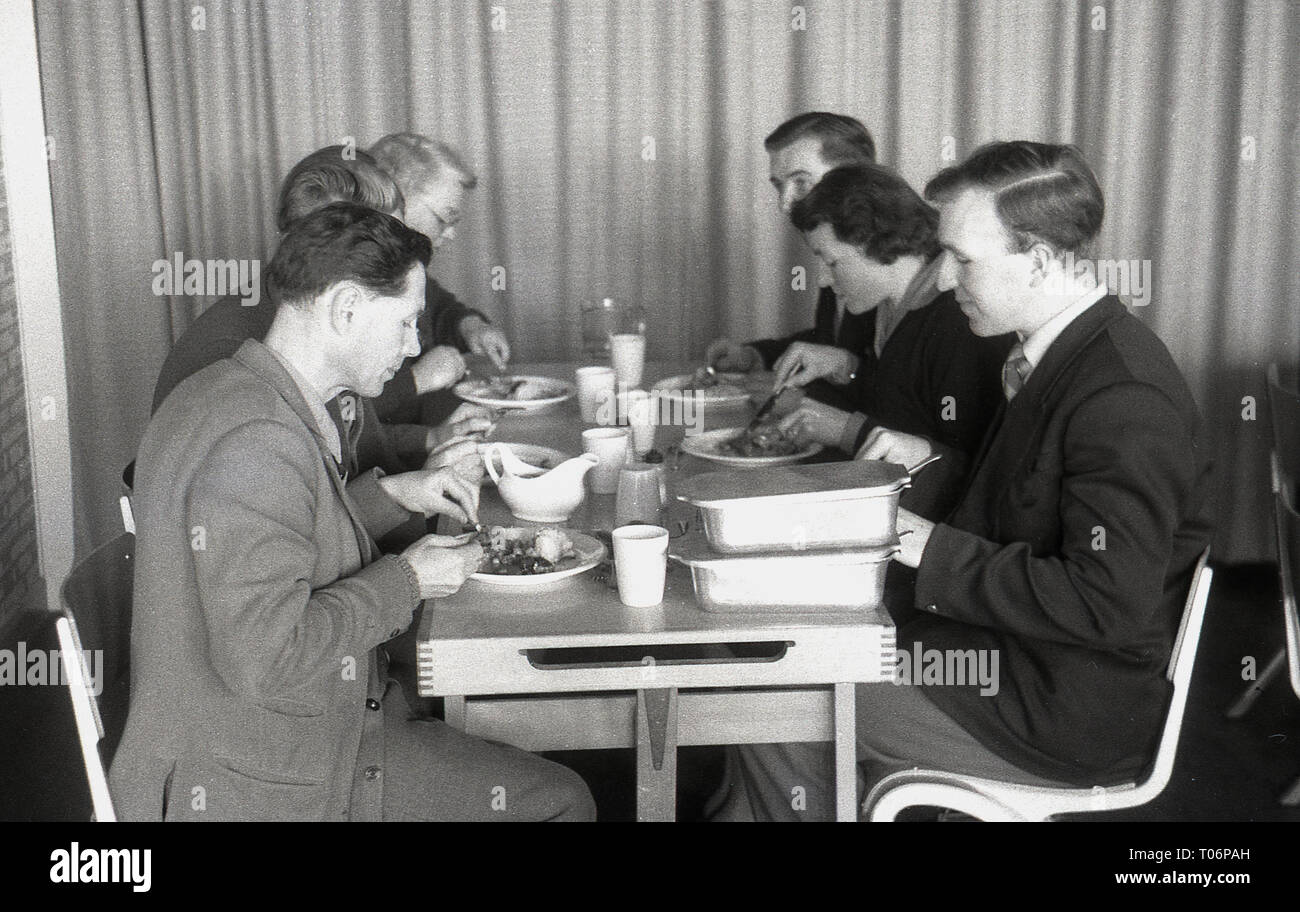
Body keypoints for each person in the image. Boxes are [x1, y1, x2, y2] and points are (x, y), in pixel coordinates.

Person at [715, 141, 1212, 821]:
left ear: (1039, 259)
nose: (944, 280)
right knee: (781, 641)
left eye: (964, 259)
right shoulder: (1051, 354)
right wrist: (926, 462)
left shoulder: (1121, 397)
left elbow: (1106, 604)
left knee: (775, 696)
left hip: (1052, 705)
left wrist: (927, 545)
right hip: (1000, 657)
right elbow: (1022, 505)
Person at [110, 203, 595, 821]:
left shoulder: (234, 391)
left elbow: (285, 546)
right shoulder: (256, 441)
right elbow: (269, 658)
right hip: (263, 777)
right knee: (561, 803)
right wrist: (409, 579)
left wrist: (393, 496)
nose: (416, 344)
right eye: (406, 323)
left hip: (291, 732)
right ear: (344, 309)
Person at [151, 145, 492, 472]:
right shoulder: (235, 353)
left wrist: (432, 441)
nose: (394, 259)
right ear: (321, 239)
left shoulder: (316, 326)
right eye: (377, 245)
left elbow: (355, 446)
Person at [771, 164, 1012, 518]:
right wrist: (848, 368)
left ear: (870, 241)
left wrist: (848, 431)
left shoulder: (960, 322)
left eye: (831, 261)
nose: (822, 279)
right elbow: (906, 401)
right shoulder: (883, 306)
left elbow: (969, 468)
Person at [704, 112, 876, 412]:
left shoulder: (893, 261)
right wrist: (754, 355)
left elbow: (904, 391)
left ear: (857, 177)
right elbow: (830, 343)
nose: (785, 205)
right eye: (779, 186)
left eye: (801, 182)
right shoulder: (835, 246)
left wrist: (811, 398)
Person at [367, 133, 512, 425]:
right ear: (395, 201)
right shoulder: (352, 282)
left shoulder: (400, 267)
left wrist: (470, 326)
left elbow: (437, 305)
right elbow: (335, 418)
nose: (450, 233)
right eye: (444, 218)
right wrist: (418, 380)